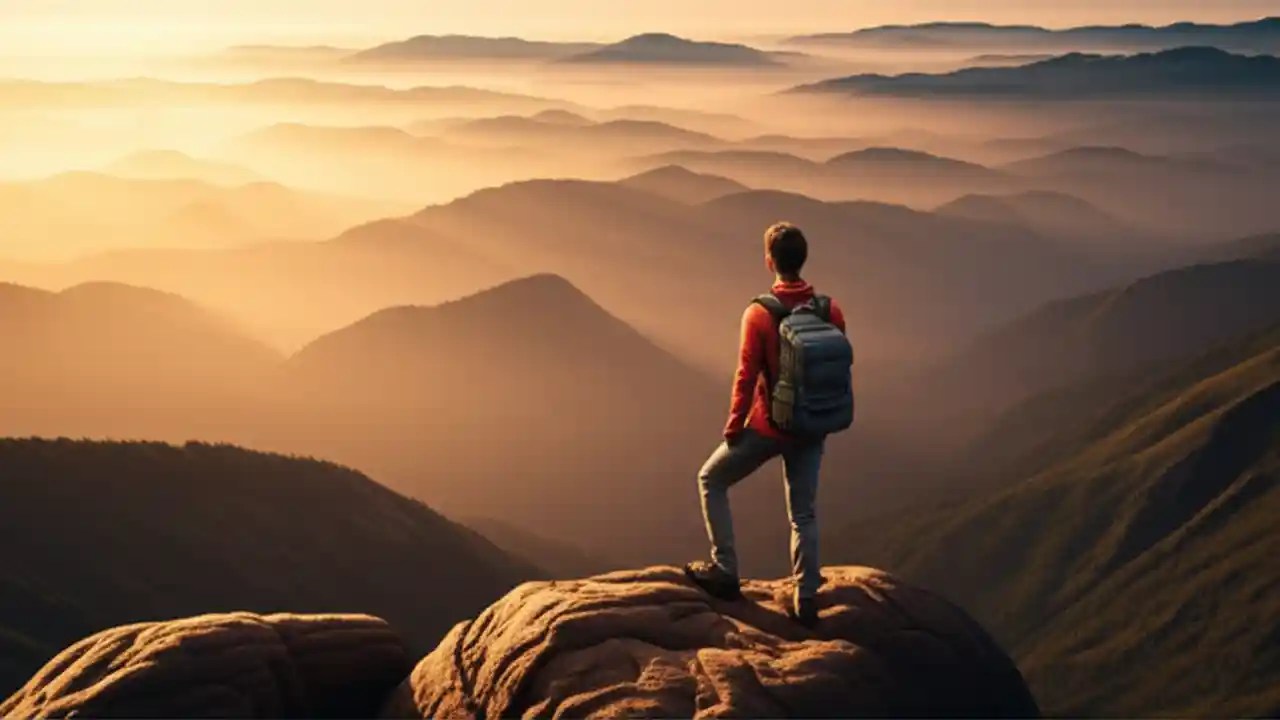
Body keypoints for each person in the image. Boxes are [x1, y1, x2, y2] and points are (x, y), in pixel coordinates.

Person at [684, 222, 848, 628]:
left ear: (769, 260)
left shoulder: (759, 313)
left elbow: (746, 373)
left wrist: (734, 423)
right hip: (812, 424)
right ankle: (806, 596)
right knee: (804, 514)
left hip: (767, 426)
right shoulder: (830, 310)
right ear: (803, 259)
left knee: (711, 480)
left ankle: (725, 570)